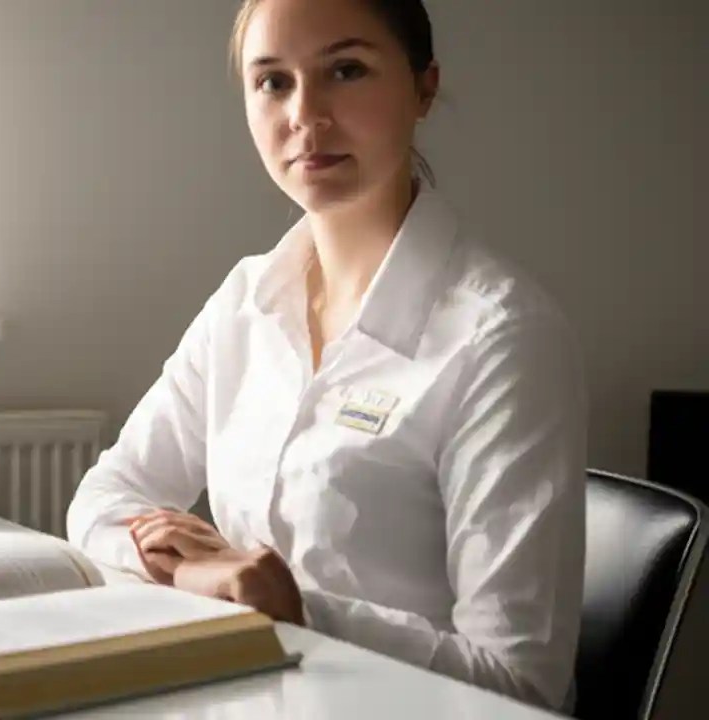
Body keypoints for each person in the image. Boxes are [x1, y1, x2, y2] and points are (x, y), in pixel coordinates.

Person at [65, 0, 587, 711]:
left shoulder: (502, 337)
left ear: (424, 87)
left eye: (346, 70)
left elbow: (520, 687)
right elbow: (102, 500)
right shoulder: (246, 301)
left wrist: (298, 610)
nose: (304, 115)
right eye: (273, 81)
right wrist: (204, 576)